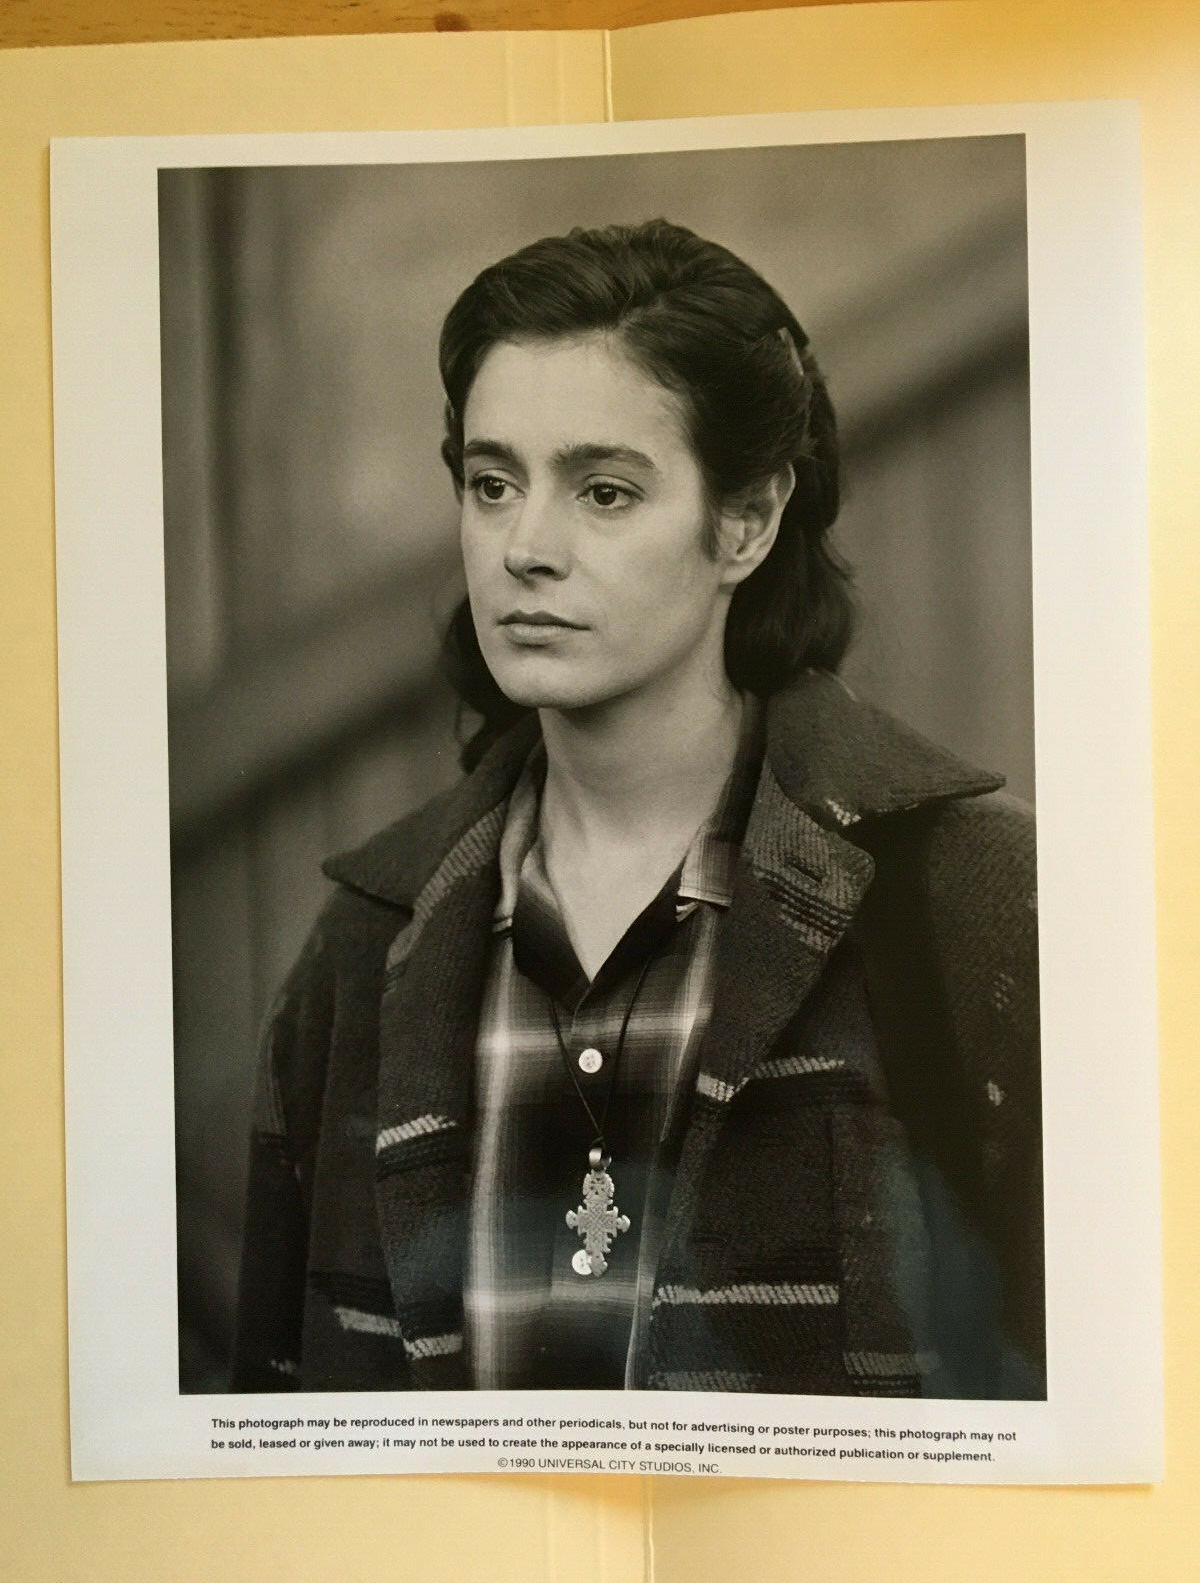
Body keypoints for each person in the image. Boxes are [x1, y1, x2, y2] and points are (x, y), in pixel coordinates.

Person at [231, 220, 1043, 1398]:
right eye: (492, 484)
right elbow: (269, 1421)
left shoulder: (971, 905)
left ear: (746, 522)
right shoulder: (366, 948)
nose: (525, 547)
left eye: (604, 491)